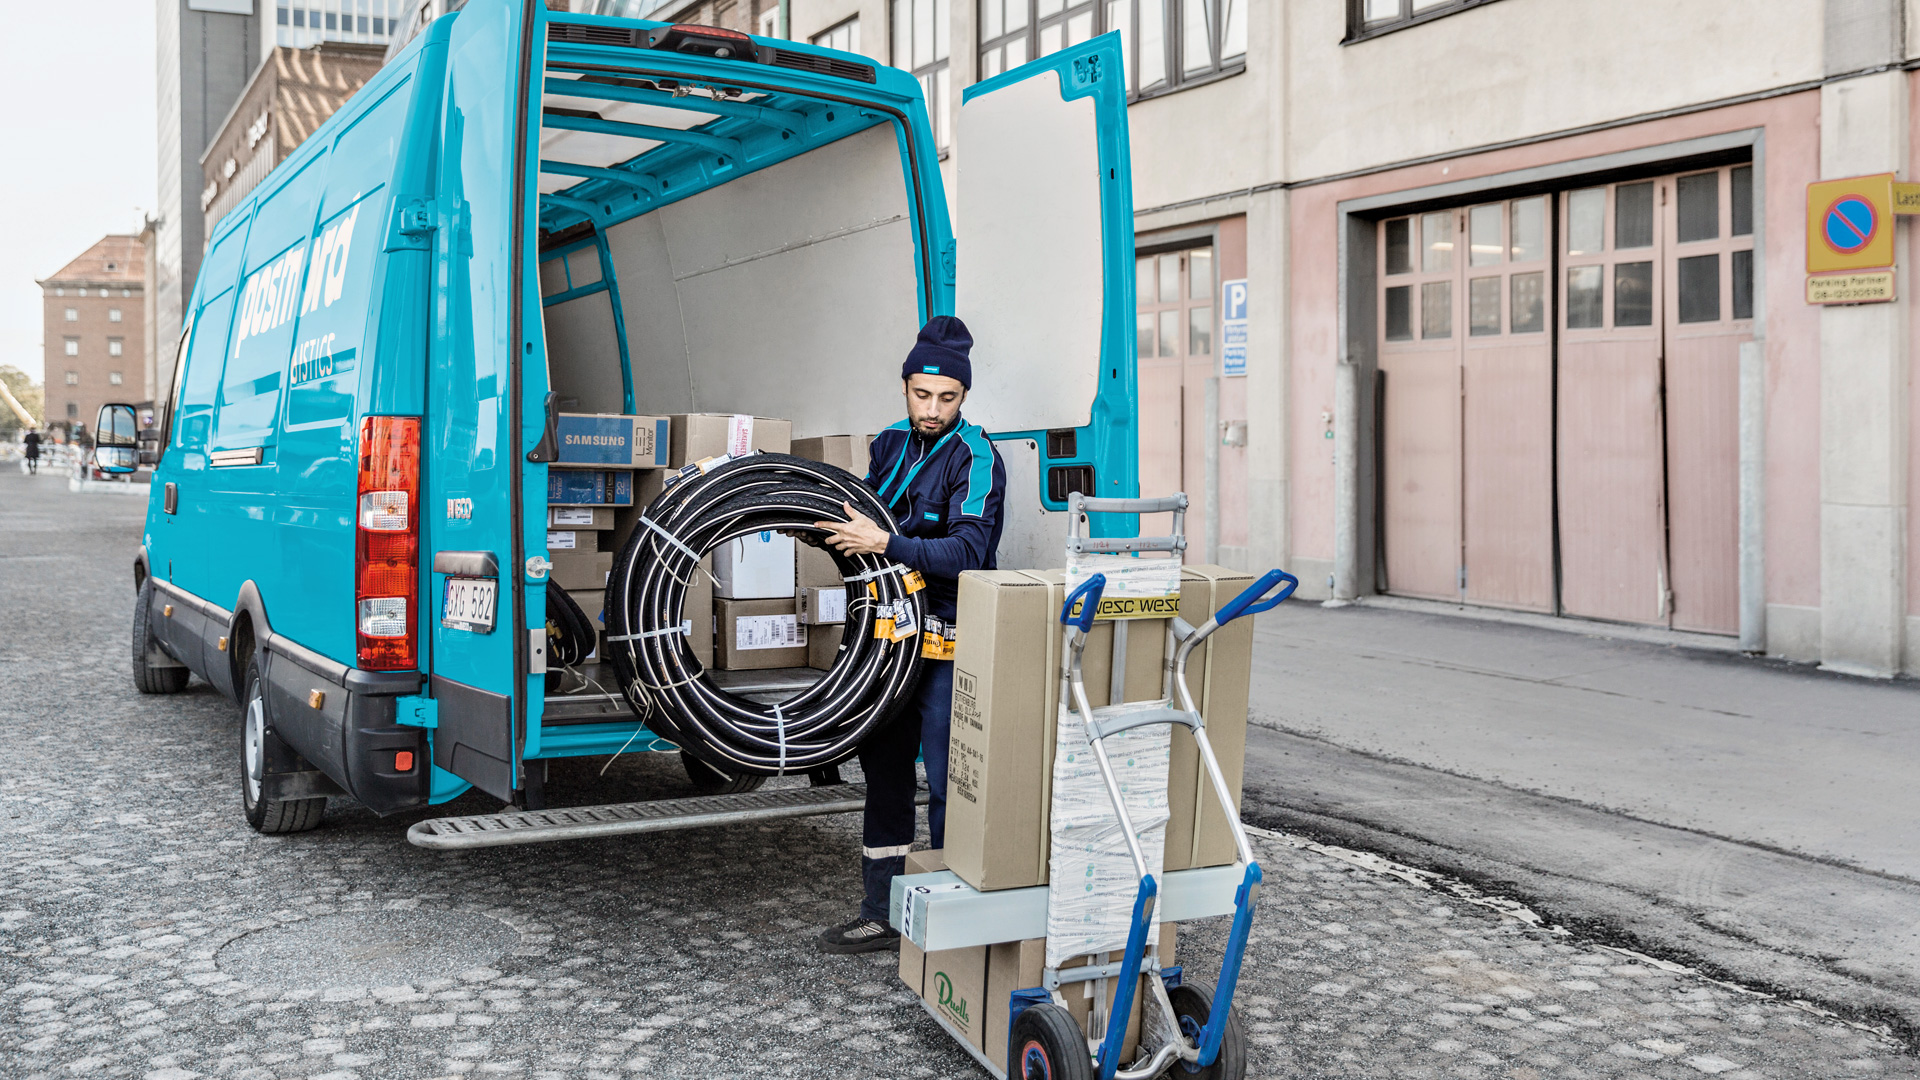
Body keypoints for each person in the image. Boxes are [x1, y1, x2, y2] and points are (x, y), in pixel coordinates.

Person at [812, 315, 1007, 953]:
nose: (932, 409)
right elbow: (861, 513)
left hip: (949, 640)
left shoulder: (977, 457)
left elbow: (970, 550)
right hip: (891, 637)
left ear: (964, 396)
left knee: (950, 779)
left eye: (946, 398)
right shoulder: (890, 444)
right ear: (905, 387)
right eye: (922, 395)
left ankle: (949, 917)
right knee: (886, 770)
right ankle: (883, 910)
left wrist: (887, 542)